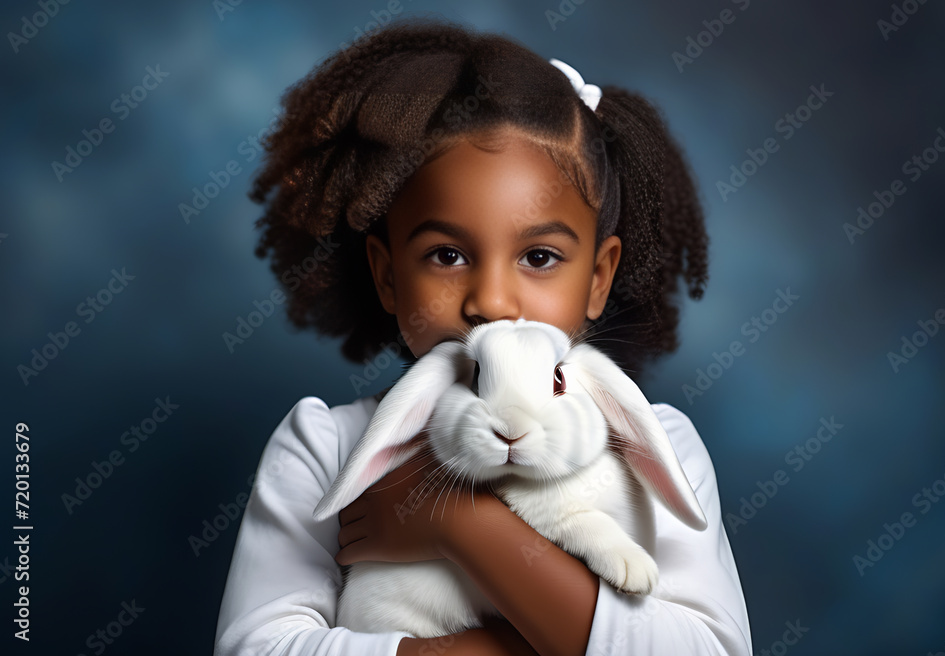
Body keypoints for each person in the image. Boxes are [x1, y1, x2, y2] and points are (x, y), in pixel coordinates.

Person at [215, 18, 752, 656]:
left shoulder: (662, 448)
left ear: (598, 278)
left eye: (540, 257)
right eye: (446, 255)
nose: (492, 302)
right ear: (388, 278)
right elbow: (257, 648)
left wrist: (457, 525)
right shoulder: (324, 449)